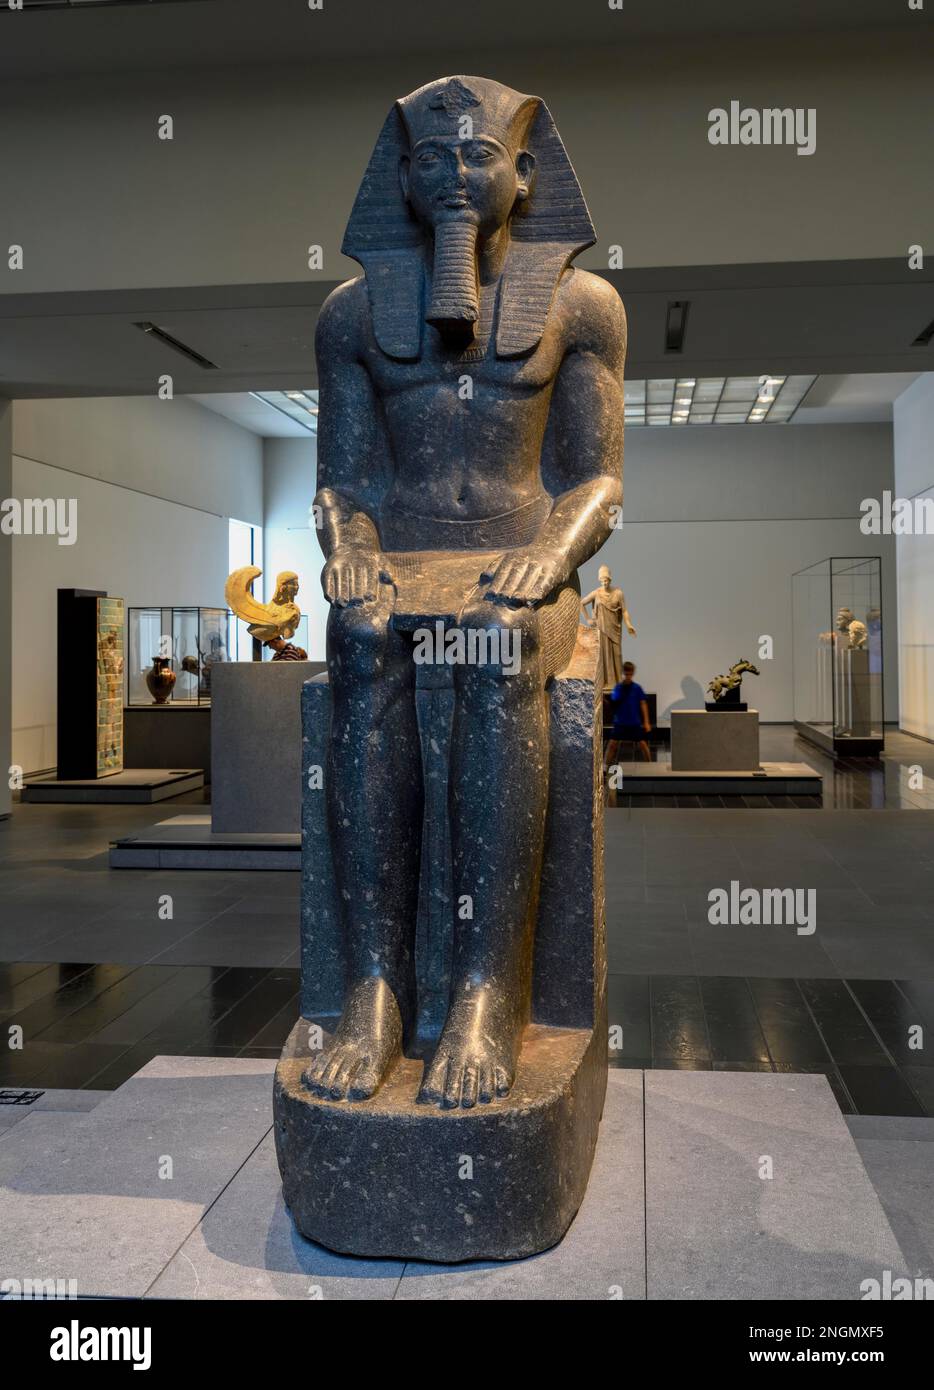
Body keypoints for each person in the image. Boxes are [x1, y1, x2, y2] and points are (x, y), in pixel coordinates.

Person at [304, 75, 626, 1110]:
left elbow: (597, 479)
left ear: (523, 176)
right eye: (430, 159)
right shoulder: (352, 314)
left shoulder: (580, 304)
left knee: (491, 644)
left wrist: (551, 556)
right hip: (400, 553)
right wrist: (348, 549)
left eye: (475, 155)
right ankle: (375, 989)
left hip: (517, 554)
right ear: (399, 177)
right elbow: (346, 479)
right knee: (359, 638)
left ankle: (487, 992)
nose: (451, 175)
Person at [606, 661, 651, 765]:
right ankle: (605, 767)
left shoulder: (637, 688)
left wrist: (646, 722)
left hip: (634, 722)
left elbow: (643, 704)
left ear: (633, 673)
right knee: (612, 744)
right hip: (620, 722)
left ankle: (650, 765)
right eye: (626, 674)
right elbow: (614, 702)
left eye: (630, 674)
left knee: (643, 744)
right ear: (623, 673)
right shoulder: (618, 687)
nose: (628, 676)